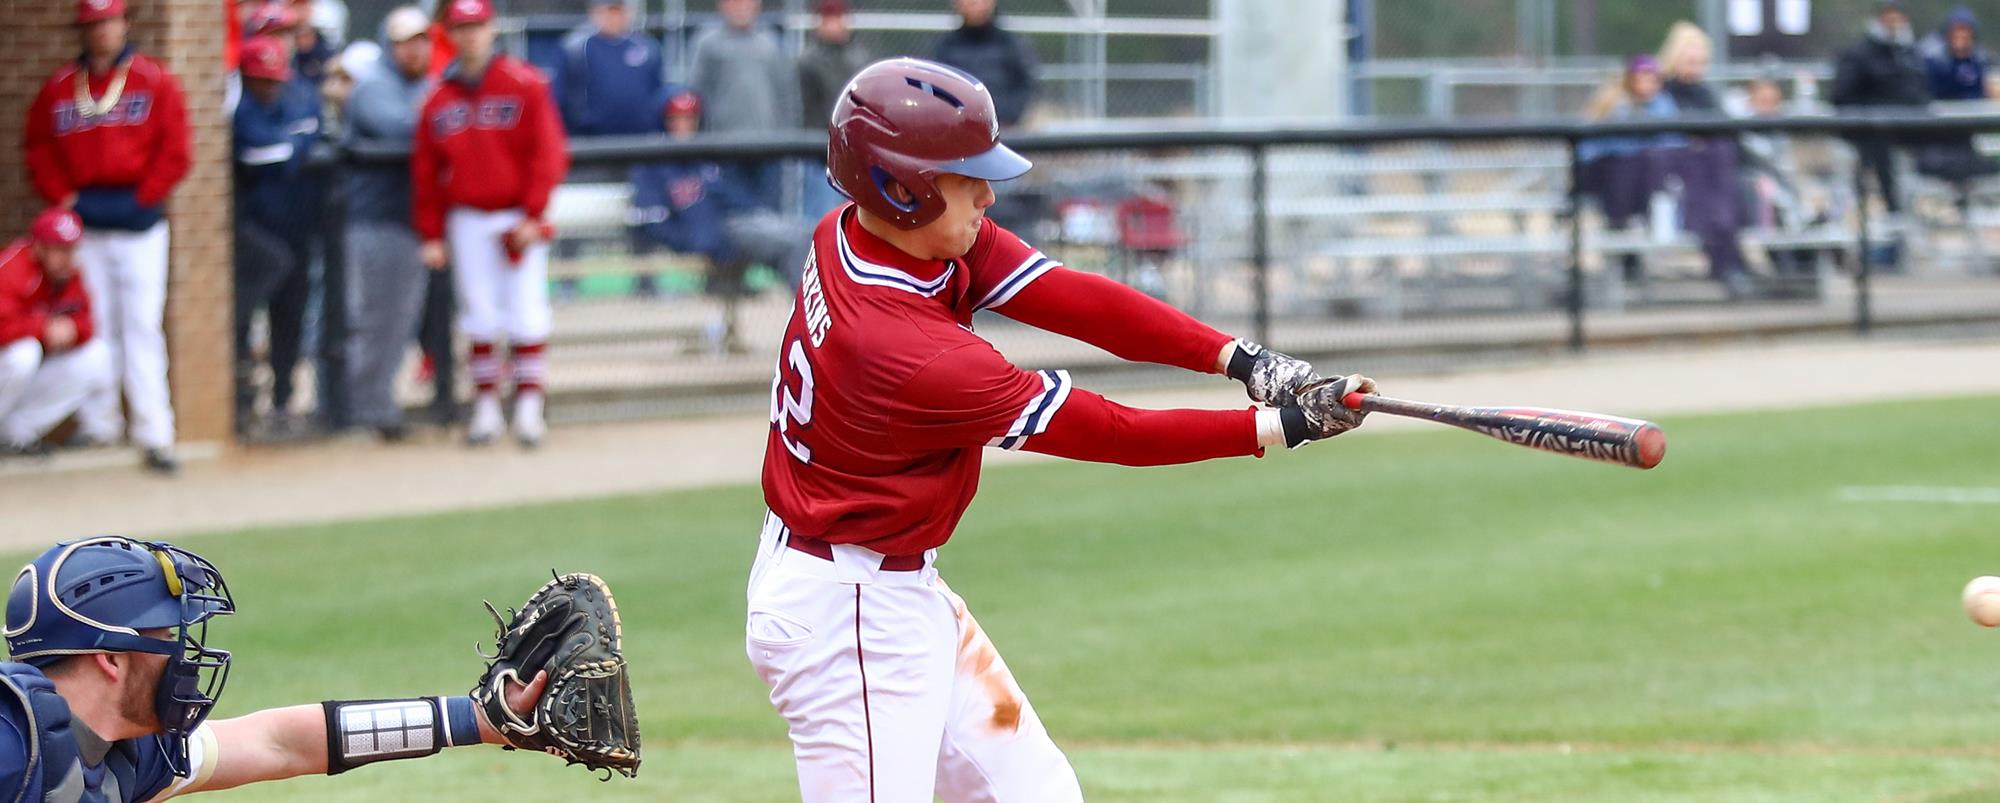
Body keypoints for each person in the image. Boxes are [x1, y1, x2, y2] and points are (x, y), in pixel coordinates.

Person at [747, 57, 1375, 801]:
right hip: (850, 616)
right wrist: (1279, 425)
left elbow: (1069, 296)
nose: (986, 194)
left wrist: (1241, 359)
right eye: (963, 177)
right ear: (901, 187)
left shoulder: (860, 232)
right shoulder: (908, 354)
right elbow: (1112, 431)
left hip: (886, 585)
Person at [0, 535, 565, 800]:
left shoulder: (122, 755)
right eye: (166, 637)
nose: (184, 656)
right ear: (109, 657)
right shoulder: (12, 739)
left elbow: (280, 742)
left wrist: (481, 720)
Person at [22, 0, 192, 474]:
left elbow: (177, 149)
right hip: (85, 224)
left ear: (125, 24)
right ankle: (100, 424)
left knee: (142, 327)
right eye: (94, 24)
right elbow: (36, 145)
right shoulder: (60, 86)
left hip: (139, 223)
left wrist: (146, 197)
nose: (102, 32)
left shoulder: (153, 78)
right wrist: (62, 197)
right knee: (94, 324)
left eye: (110, 21)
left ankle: (155, 433)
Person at [413, 0, 570, 449]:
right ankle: (485, 408)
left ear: (492, 28)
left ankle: (528, 410)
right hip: (466, 216)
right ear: (450, 33)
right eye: (460, 27)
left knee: (527, 312)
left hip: (516, 214)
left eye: (477, 26)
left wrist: (534, 213)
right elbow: (425, 172)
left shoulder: (525, 83)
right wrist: (431, 232)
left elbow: (548, 153)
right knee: (479, 315)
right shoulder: (438, 97)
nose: (469, 35)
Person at [630, 91, 811, 353]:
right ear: (665, 120)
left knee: (808, 233)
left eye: (689, 118)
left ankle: (809, 321)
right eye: (676, 118)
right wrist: (695, 239)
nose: (683, 125)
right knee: (794, 243)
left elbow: (738, 197)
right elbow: (648, 222)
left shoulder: (707, 154)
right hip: (722, 235)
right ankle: (809, 324)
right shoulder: (656, 163)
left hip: (741, 223)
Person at [344, 6, 433, 442]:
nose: (415, 48)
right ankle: (365, 411)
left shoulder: (428, 86)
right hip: (377, 222)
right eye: (404, 41)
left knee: (400, 323)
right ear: (388, 45)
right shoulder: (374, 87)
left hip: (416, 223)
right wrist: (440, 116)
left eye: (421, 39)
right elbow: (407, 130)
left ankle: (375, 406)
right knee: (378, 322)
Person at [231, 35, 323, 436]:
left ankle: (283, 401)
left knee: (290, 319)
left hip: (298, 228)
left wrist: (290, 147)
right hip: (253, 234)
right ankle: (241, 403)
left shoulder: (298, 99)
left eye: (275, 79)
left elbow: (312, 134)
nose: (271, 86)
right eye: (262, 79)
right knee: (243, 321)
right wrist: (294, 146)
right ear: (247, 77)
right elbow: (257, 155)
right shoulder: (241, 111)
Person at [0, 209, 112, 459]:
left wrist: (72, 330)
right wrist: (42, 327)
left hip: (26, 371)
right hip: (9, 360)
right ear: (39, 247)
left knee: (97, 355)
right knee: (23, 353)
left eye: (71, 249)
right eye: (59, 249)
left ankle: (15, 433)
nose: (67, 257)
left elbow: (86, 323)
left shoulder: (69, 275)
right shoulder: (12, 269)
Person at [688, 0, 794, 210]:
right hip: (725, 151)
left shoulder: (772, 43)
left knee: (772, 222)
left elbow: (787, 96)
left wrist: (788, 138)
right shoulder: (707, 44)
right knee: (734, 222)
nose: (741, 6)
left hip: (770, 150)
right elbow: (696, 95)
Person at [1833, 0, 1930, 213]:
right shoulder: (1858, 53)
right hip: (1869, 135)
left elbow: (1921, 91)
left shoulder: (1910, 52)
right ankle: (1891, 212)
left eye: (1898, 15)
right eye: (1889, 15)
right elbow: (1842, 95)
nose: (1894, 21)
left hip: (1910, 133)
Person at [795, 0, 870, 218]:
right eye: (828, 19)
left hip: (856, 155)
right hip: (820, 155)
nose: (834, 25)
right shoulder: (808, 61)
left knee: (854, 218)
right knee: (819, 217)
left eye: (839, 18)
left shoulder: (859, 58)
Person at [929, 0, 1038, 129]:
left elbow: (1027, 85)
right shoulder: (946, 46)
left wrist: (1009, 117)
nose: (973, 3)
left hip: (1005, 130)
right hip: (958, 129)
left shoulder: (1010, 44)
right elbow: (935, 88)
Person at [1924, 6, 1992, 100]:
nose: (1959, 34)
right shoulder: (1935, 61)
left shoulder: (1981, 60)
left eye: (1964, 30)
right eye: (1955, 30)